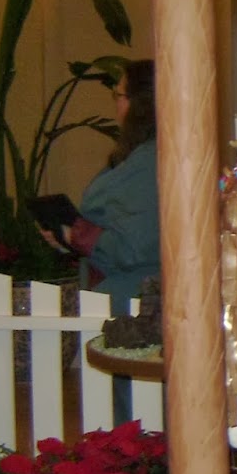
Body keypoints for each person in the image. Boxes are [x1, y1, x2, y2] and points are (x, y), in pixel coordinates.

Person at [62, 60, 160, 299]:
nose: (116, 103)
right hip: (128, 293)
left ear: (138, 104)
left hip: (134, 300)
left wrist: (80, 236)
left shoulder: (148, 161)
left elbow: (134, 247)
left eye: (118, 95)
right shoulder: (141, 156)